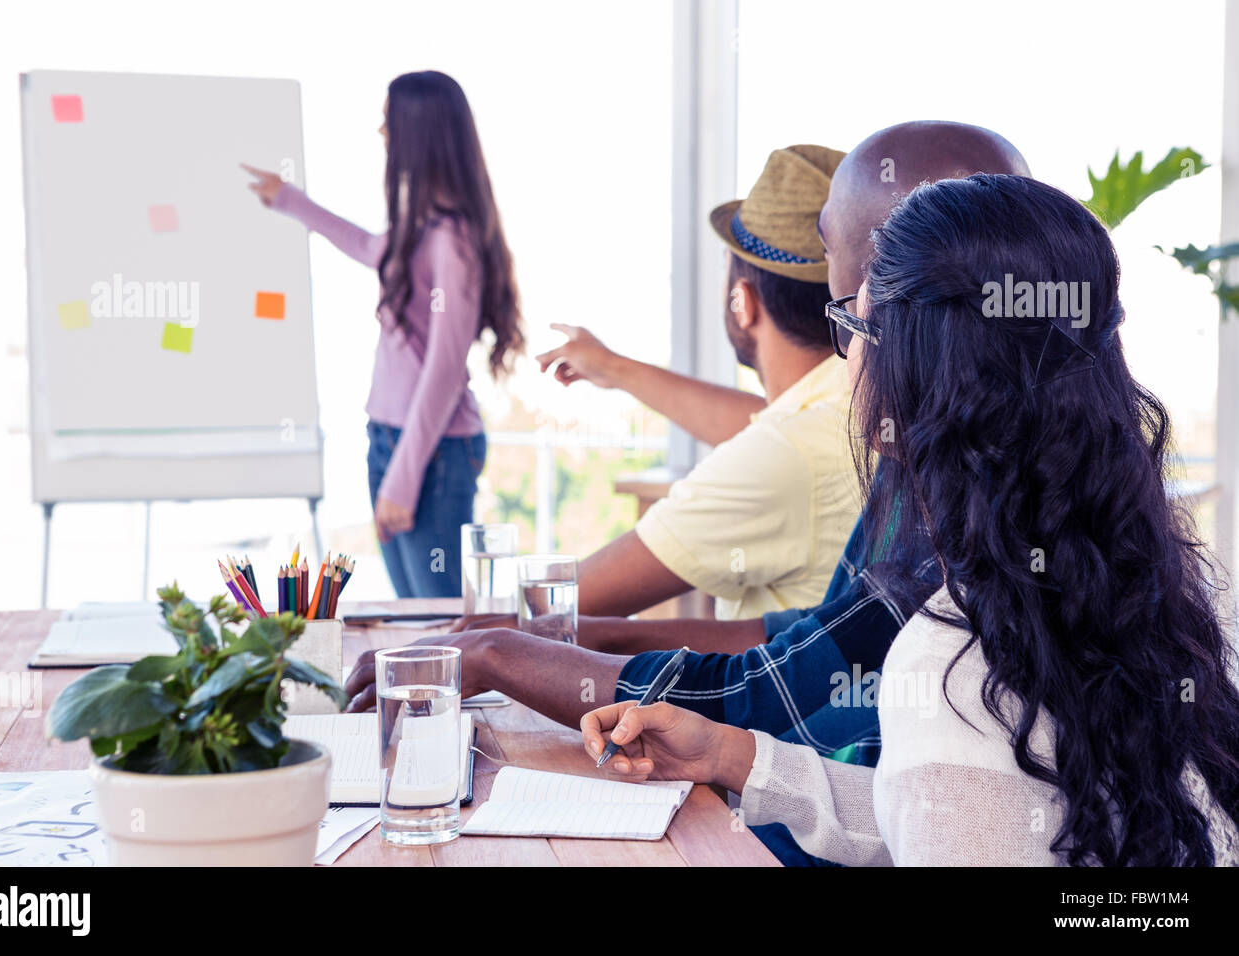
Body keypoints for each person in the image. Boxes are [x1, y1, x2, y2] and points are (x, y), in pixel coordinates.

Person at [348, 120, 1033, 864]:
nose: (849, 373)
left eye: (856, 328)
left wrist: (495, 648)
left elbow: (779, 686)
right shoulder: (982, 461)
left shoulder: (878, 482)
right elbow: (817, 655)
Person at [579, 173, 1239, 866]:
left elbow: (958, 804)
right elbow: (971, 809)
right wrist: (733, 756)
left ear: (918, 373)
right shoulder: (1163, 582)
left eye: (855, 328)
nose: (847, 362)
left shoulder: (951, 663)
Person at [538, 145, 860, 620]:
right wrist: (615, 368)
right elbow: (762, 425)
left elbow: (558, 608)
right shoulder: (857, 397)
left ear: (742, 301)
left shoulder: (787, 454)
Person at [244, 70, 522, 598]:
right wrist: (290, 200)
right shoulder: (421, 228)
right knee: (420, 614)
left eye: (389, 120)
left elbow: (443, 369)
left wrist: (403, 476)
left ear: (420, 131)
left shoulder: (452, 242)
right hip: (392, 440)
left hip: (432, 452)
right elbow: (369, 246)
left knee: (436, 624)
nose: (381, 132)